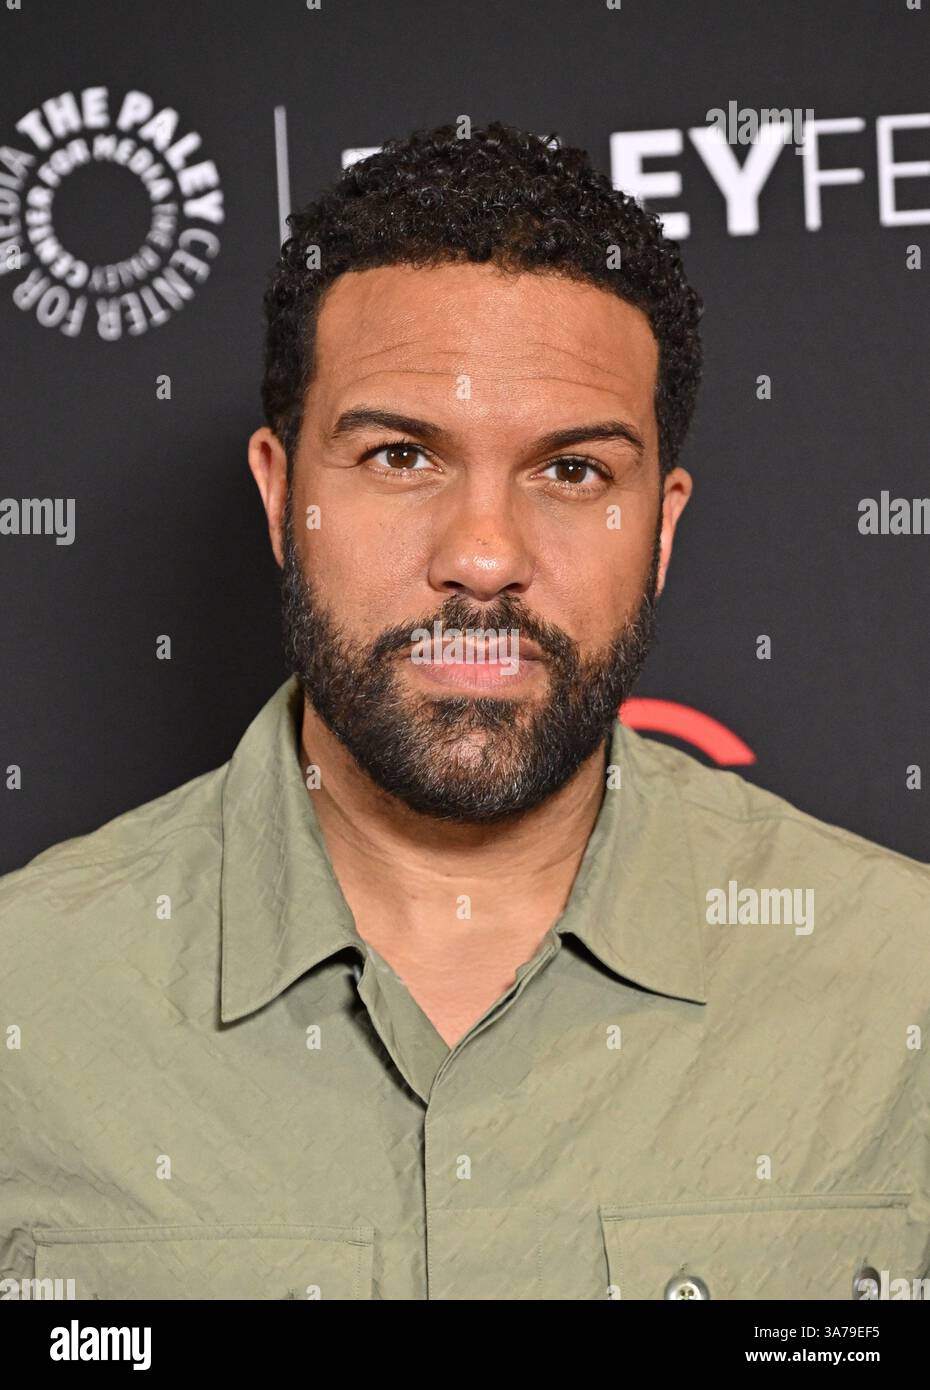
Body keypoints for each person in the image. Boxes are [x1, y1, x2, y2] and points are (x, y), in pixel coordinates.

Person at [1, 123, 927, 1302]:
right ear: (284, 496)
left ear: (664, 528)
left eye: (574, 471)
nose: (484, 557)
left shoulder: (902, 988)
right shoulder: (24, 1001)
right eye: (400, 456)